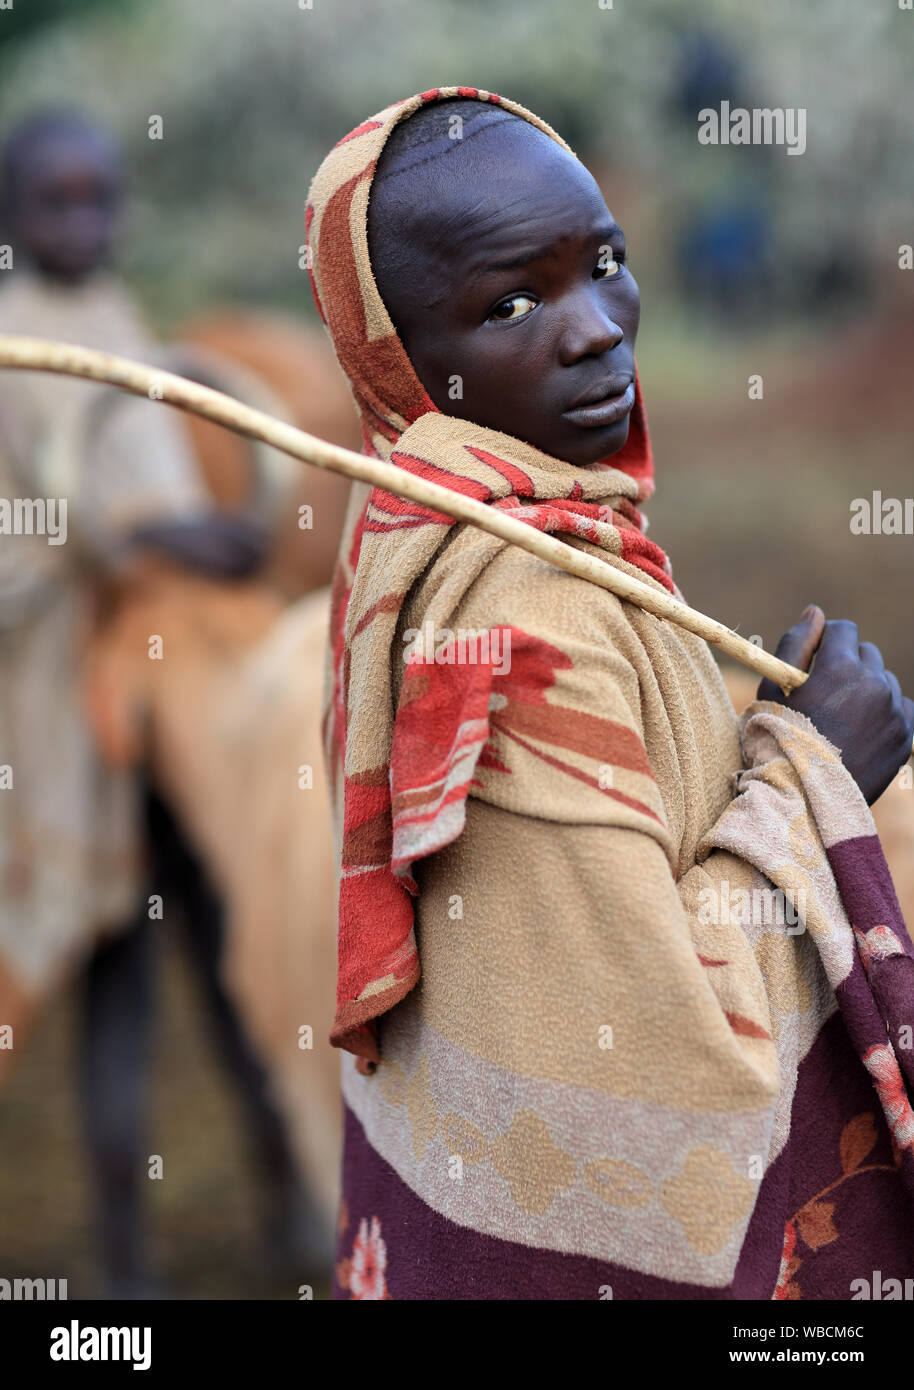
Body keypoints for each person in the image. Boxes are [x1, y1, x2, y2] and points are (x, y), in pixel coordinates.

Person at [306, 87, 914, 1300]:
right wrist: (816, 769)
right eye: (511, 304)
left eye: (604, 264)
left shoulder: (419, 527)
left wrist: (746, 736)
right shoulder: (528, 609)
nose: (595, 331)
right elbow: (658, 1050)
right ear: (400, 361)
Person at [0, 110, 327, 1297]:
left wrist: (206, 544)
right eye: (56, 201)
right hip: (81, 739)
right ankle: (126, 1267)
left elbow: (161, 496)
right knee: (119, 1006)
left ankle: (295, 1209)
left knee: (246, 976)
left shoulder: (117, 322)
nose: (84, 222)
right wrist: (126, 541)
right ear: (9, 215)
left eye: (100, 197)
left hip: (184, 716)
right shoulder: (13, 346)